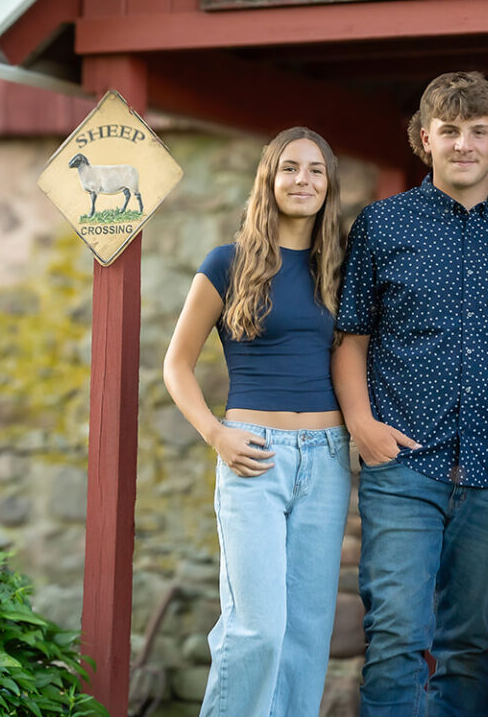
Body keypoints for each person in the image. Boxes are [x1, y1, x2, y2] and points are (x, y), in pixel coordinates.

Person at [333, 71, 488, 717]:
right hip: (403, 464)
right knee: (396, 638)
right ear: (424, 138)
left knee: (466, 645)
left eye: (477, 131)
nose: (463, 144)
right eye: (449, 131)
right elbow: (351, 334)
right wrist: (362, 425)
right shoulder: (382, 225)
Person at [161, 127, 350, 717]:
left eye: (316, 170)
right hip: (253, 456)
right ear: (268, 179)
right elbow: (176, 364)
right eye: (290, 167)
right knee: (257, 628)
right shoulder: (228, 263)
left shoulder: (339, 267)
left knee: (306, 637)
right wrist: (215, 433)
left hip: (327, 458)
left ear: (329, 185)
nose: (303, 180)